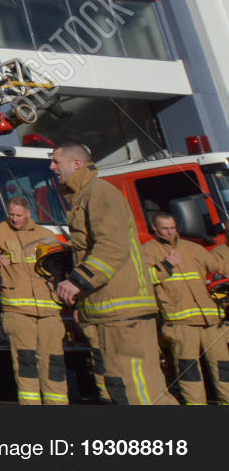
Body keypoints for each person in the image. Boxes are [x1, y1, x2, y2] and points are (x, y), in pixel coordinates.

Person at [51, 143, 172, 405]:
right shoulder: (85, 196)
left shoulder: (100, 193)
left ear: (76, 164)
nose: (52, 167)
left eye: (56, 161)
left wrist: (77, 281)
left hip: (123, 312)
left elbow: (112, 246)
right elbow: (92, 247)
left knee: (138, 390)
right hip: (111, 313)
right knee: (131, 388)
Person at [0, 196, 67, 404]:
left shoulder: (46, 235)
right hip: (17, 309)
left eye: (18, 215)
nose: (14, 219)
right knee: (26, 362)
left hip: (49, 310)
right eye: (11, 214)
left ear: (29, 214)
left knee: (55, 362)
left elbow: (59, 267)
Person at [141, 212, 228, 405]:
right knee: (189, 371)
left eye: (173, 228)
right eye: (165, 228)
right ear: (154, 228)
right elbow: (143, 280)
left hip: (210, 320)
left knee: (223, 367)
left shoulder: (193, 248)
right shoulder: (147, 251)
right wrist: (167, 265)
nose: (170, 232)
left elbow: (219, 268)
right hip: (180, 323)